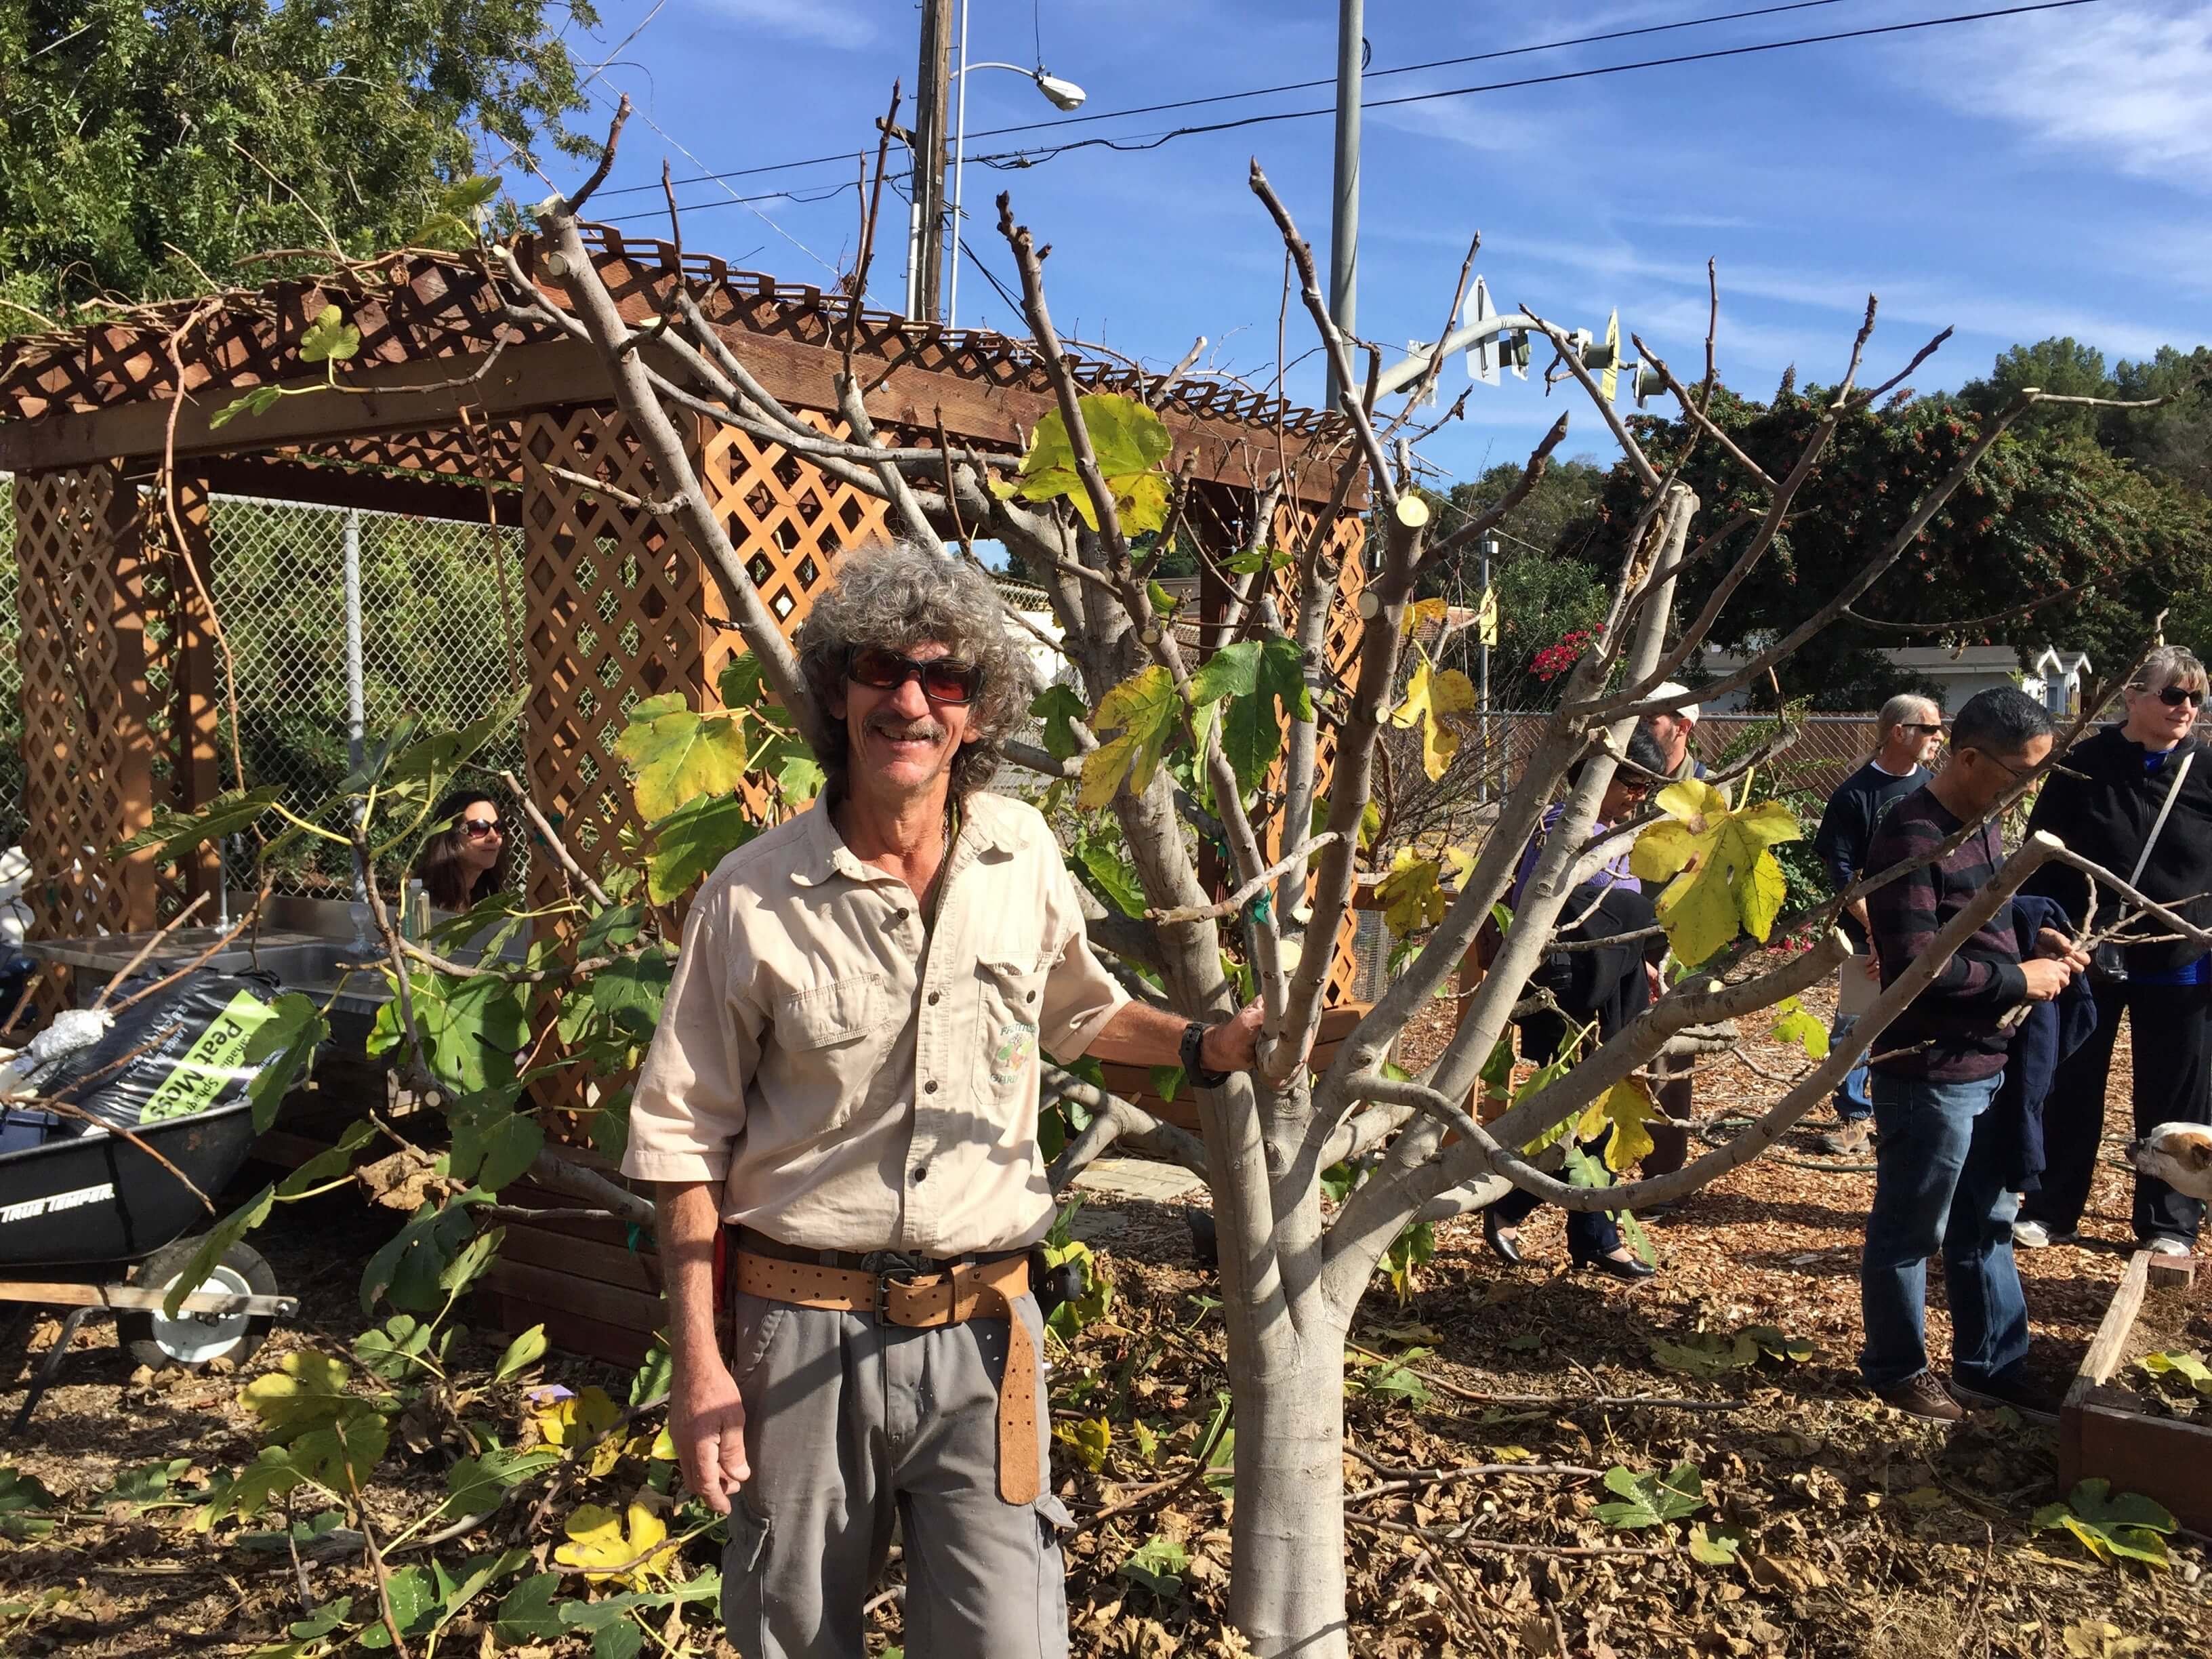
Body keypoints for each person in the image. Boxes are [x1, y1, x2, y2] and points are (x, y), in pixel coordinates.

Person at [621, 541, 1277, 1659]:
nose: (913, 701)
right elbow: (681, 1139)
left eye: (947, 679)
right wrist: (699, 1363)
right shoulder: (751, 896)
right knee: (793, 1634)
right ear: (837, 690)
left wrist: (1209, 1045)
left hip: (986, 1329)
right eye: (885, 670)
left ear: (977, 710)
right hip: (802, 1331)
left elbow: (1080, 1016)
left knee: (1005, 1639)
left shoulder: (1020, 854)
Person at [1858, 687, 2085, 1421]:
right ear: (1966, 757)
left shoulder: (1981, 825)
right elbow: (1918, 964)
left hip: (1989, 1064)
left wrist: (2029, 935)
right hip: (1928, 1071)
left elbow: (1974, 922)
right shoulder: (1911, 836)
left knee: (1986, 1220)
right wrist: (2022, 978)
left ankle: (1992, 1365)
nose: (2028, 789)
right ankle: (1897, 1369)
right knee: (1911, 1230)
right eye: (2018, 774)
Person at [2017, 646, 2212, 1258]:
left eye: (2196, 698)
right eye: (2173, 695)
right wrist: (2044, 929)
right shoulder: (2084, 764)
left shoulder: (2209, 768)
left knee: (2177, 1094)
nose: (2186, 708)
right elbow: (2040, 854)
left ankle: (2170, 1224)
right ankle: (2051, 1209)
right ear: (2133, 696)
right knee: (2070, 1082)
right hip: (2091, 951)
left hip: (2183, 957)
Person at [1481, 728, 1668, 1282]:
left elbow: (1619, 923)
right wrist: (1635, 930)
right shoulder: (1559, 830)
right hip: (1567, 993)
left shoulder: (1615, 834)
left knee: (1597, 1113)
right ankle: (1560, 1223)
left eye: (1649, 786)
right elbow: (1544, 913)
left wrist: (1644, 958)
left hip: (1614, 986)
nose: (1641, 795)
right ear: (1600, 775)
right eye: (1635, 782)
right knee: (1578, 1109)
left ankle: (1549, 1220)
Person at [1810, 695, 1945, 1155]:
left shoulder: (1937, 790)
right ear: (1898, 732)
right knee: (1854, 1025)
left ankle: (1909, 1113)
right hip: (1865, 933)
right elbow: (1843, 877)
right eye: (1929, 730)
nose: (1938, 739)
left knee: (1921, 1021)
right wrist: (1878, 932)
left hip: (1926, 932)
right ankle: (1854, 1118)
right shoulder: (1853, 794)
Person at [418, 789, 511, 911]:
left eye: (499, 827)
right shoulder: (422, 906)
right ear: (450, 836)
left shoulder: (492, 902)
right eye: (479, 827)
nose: (494, 837)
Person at [1643, 682, 1706, 782]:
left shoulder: (1708, 786)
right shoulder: (1625, 779)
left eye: (1650, 722)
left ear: (1682, 727)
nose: (1642, 729)